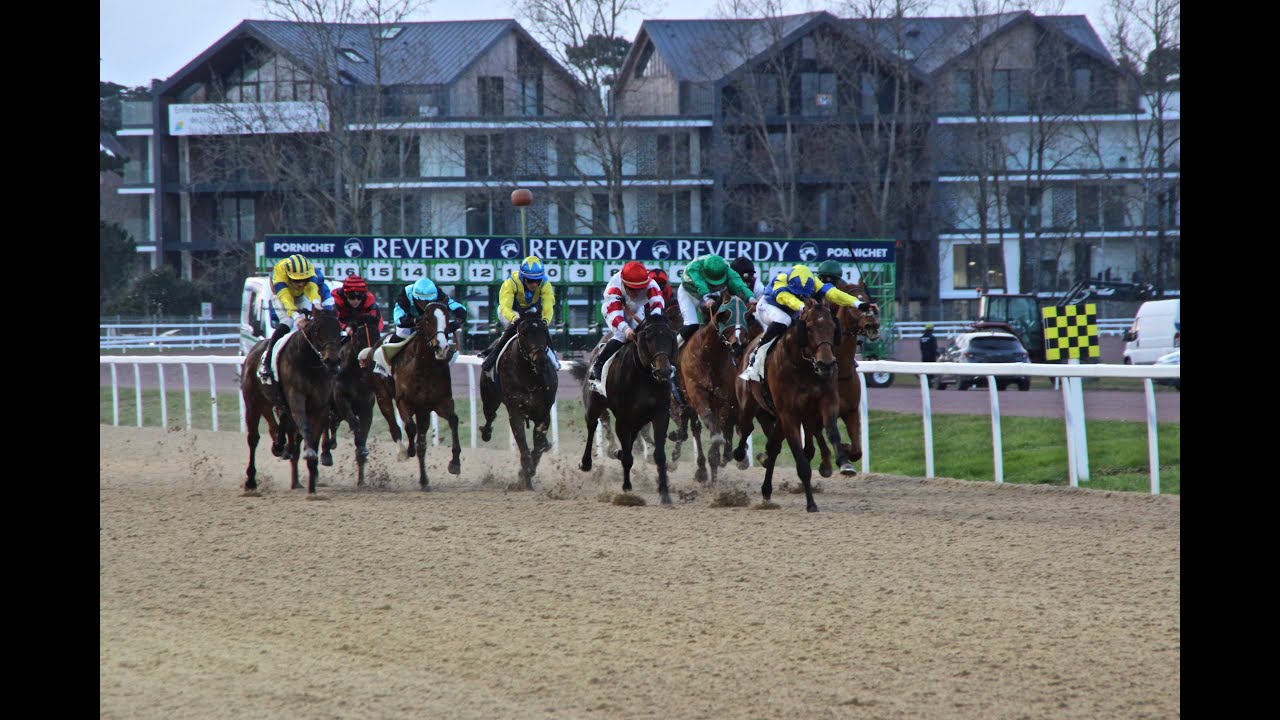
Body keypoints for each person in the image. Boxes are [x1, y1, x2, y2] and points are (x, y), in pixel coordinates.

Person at [739, 264, 879, 382]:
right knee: (785, 320)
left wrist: (860, 305)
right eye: (799, 292)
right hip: (769, 307)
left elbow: (835, 294)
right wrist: (803, 307)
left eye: (804, 293)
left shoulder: (813, 281)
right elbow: (788, 300)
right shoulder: (780, 283)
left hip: (796, 309)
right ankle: (755, 362)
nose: (802, 294)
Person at [479, 256, 560, 374]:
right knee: (514, 328)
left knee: (541, 329)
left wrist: (545, 321)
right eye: (530, 280)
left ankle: (553, 359)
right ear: (523, 277)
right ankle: (492, 356)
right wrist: (514, 319)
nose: (534, 284)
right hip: (509, 311)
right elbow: (505, 307)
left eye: (537, 281)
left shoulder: (545, 284)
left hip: (530, 311)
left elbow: (548, 307)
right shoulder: (511, 282)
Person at [589, 260, 666, 384]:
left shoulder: (652, 285)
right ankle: (598, 364)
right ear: (624, 283)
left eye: (640, 289)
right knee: (622, 335)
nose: (636, 293)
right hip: (614, 309)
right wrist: (626, 329)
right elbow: (615, 314)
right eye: (632, 289)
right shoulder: (613, 288)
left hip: (637, 308)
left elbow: (658, 305)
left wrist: (654, 324)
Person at [258, 253, 328, 382]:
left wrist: (317, 306)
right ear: (289, 276)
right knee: (287, 323)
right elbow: (287, 301)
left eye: (304, 279)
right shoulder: (279, 273)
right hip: (281, 294)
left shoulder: (310, 272)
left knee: (310, 323)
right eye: (296, 280)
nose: (301, 283)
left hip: (300, 296)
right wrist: (296, 317)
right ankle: (266, 361)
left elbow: (313, 292)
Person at [674, 254, 755, 347]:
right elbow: (700, 284)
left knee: (720, 321)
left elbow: (738, 283)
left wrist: (751, 298)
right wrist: (708, 298)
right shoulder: (694, 268)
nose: (714, 283)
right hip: (688, 294)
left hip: (712, 293)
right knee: (691, 325)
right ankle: (675, 348)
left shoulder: (726, 268)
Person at [387, 276, 468, 344]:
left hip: (431, 323)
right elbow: (398, 320)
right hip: (410, 323)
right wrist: (416, 320)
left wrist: (457, 322)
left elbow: (460, 308)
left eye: (430, 301)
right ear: (415, 297)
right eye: (422, 301)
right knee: (402, 333)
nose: (426, 304)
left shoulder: (438, 294)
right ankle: (385, 356)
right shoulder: (405, 294)